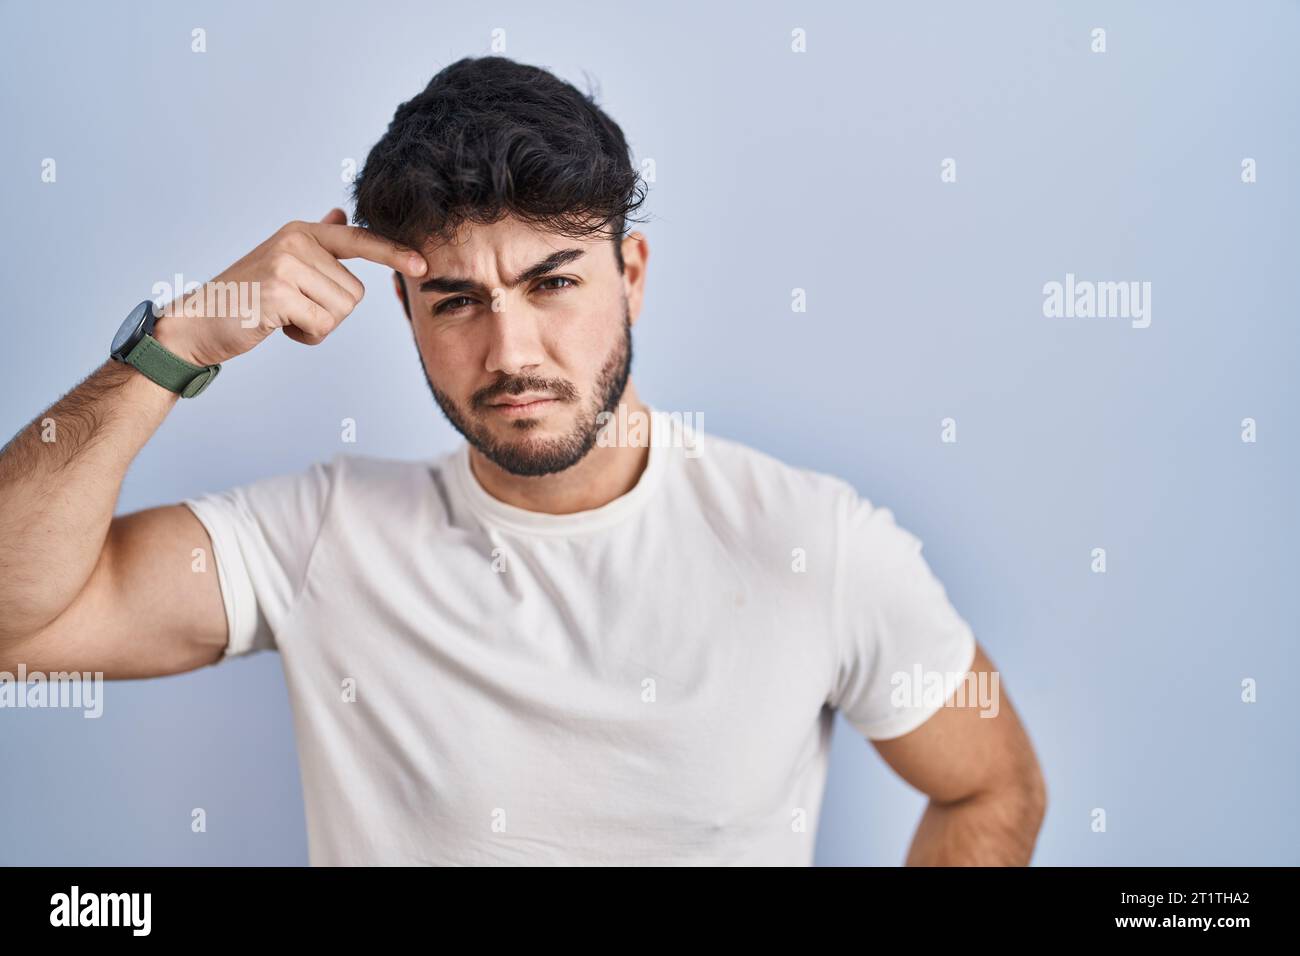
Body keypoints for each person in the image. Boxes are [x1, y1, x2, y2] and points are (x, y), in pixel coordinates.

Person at [0, 56, 1045, 865]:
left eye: (552, 283)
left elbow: (993, 784)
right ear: (403, 307)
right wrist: (180, 339)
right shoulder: (320, 537)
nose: (512, 356)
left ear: (630, 273)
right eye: (457, 300)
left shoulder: (816, 542)